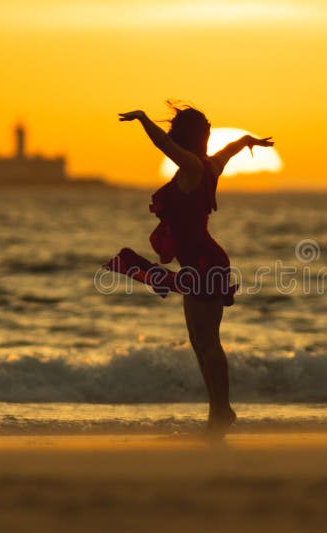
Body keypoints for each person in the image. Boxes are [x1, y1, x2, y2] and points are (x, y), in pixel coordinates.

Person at [107, 102, 273, 434]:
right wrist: (247, 141)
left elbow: (162, 145)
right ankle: (217, 411)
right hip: (200, 261)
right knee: (198, 338)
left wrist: (143, 120)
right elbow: (230, 149)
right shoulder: (209, 165)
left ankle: (222, 410)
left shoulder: (193, 168)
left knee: (208, 339)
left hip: (202, 261)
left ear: (182, 138)